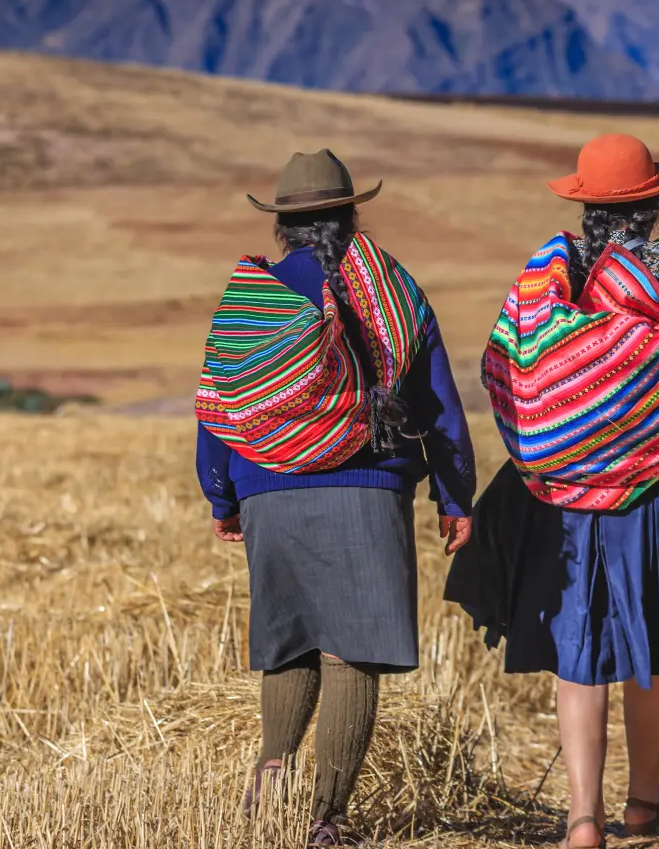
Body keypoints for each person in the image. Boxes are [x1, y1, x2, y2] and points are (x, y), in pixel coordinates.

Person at [446, 133, 659, 849]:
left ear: (584, 202)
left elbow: (501, 365)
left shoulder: (547, 277)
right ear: (658, 200)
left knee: (580, 654)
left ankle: (580, 820)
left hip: (562, 497)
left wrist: (585, 419)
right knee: (650, 644)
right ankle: (642, 801)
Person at [196, 149, 477, 848]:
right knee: (353, 650)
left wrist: (222, 493)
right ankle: (325, 817)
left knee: (287, 643)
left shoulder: (255, 296)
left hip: (268, 487)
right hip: (367, 483)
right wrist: (453, 494)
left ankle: (270, 778)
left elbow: (219, 405)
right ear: (352, 213)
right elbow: (438, 403)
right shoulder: (392, 292)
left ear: (282, 225)